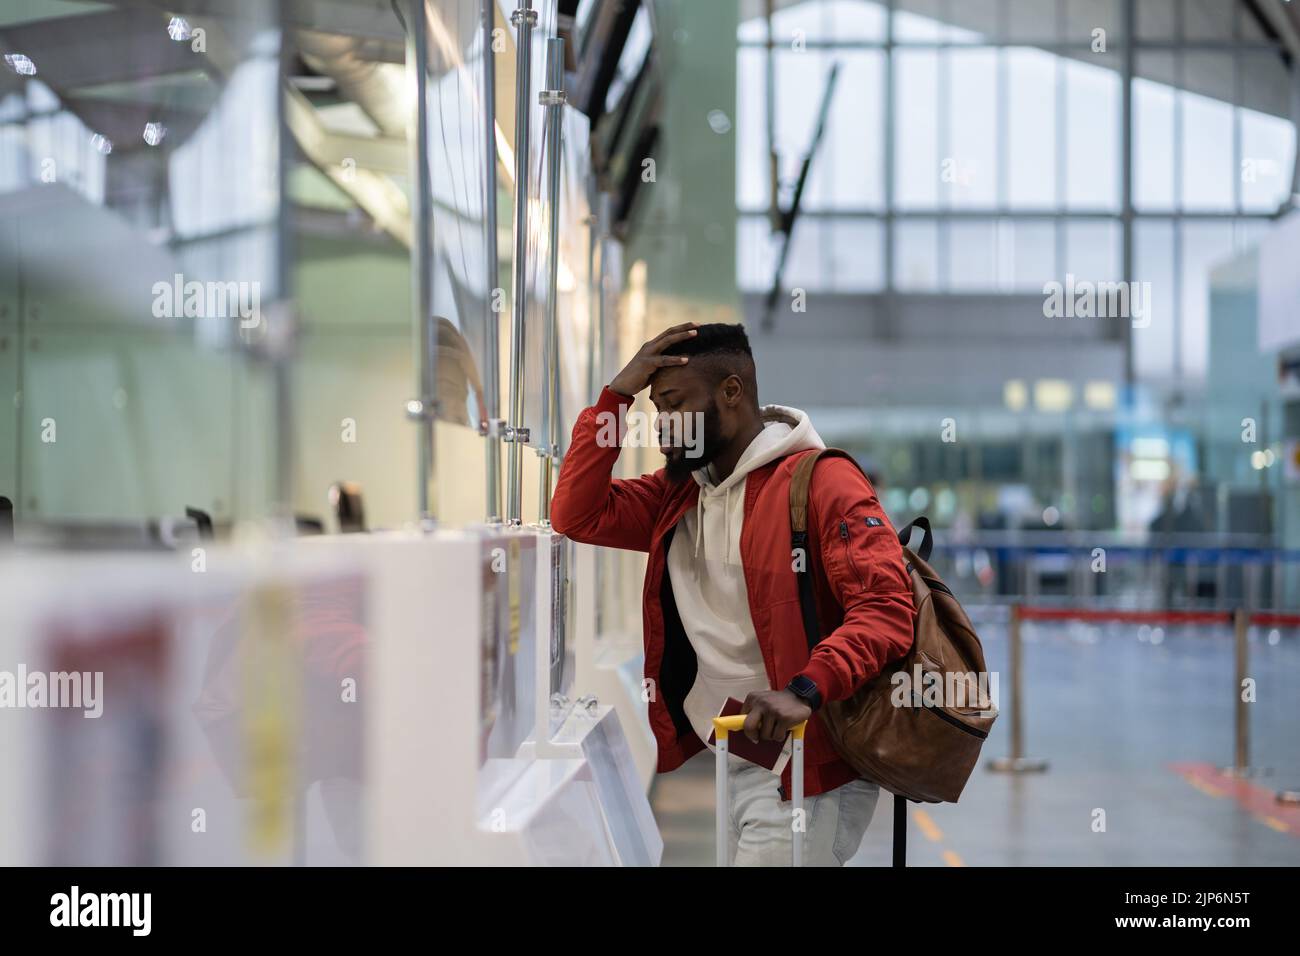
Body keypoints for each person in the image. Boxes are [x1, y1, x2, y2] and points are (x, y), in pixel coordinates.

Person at [551, 322, 914, 866]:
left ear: (731, 392)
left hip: (804, 768)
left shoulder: (822, 483)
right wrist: (617, 395)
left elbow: (886, 609)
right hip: (733, 753)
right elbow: (576, 513)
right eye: (656, 410)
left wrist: (806, 688)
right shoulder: (677, 497)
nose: (664, 426)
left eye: (674, 404)